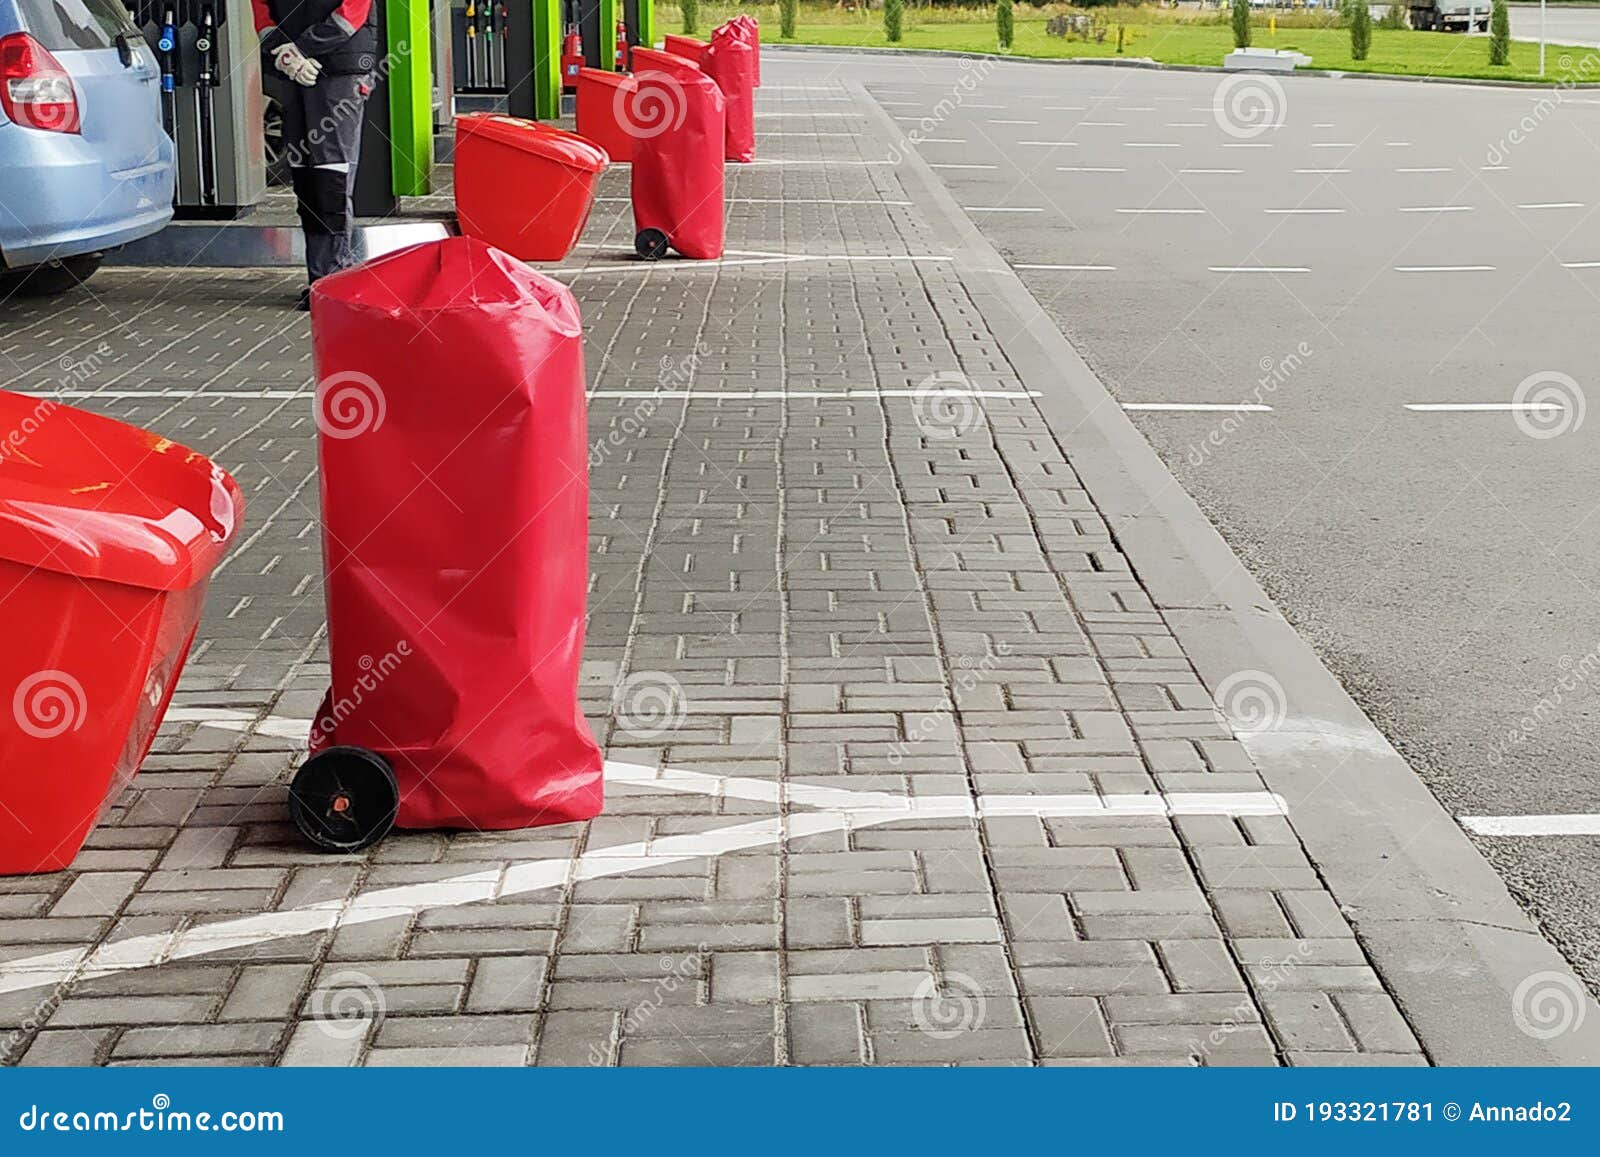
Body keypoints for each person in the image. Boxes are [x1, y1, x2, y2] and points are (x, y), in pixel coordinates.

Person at [251, 0, 380, 310]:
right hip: (296, 69)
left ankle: (333, 278)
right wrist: (285, 53)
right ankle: (322, 279)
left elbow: (353, 11)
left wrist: (296, 51)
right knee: (308, 177)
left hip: (338, 70)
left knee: (329, 176)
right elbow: (261, 10)